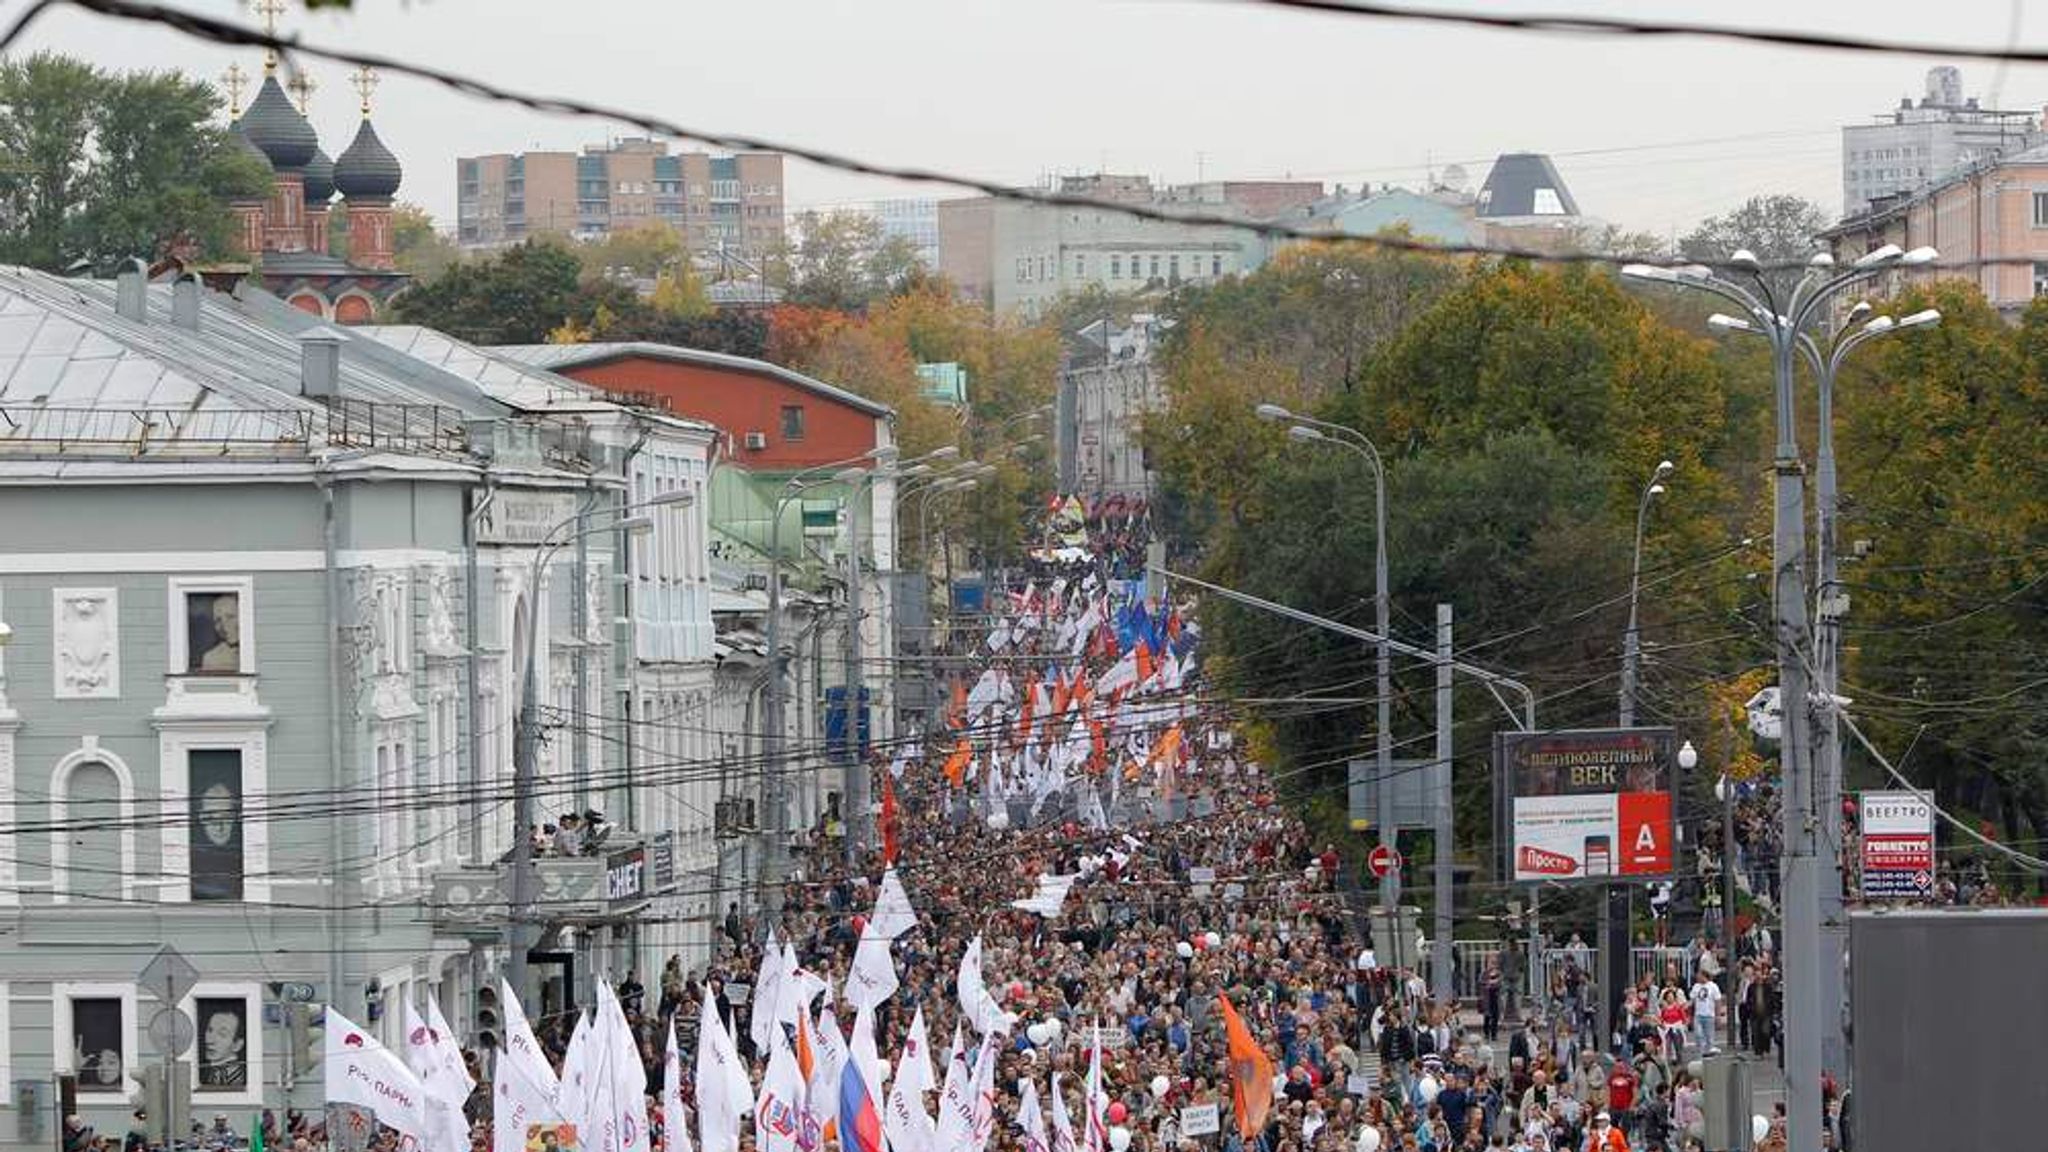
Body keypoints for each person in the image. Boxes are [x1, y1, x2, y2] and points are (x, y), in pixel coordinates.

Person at [1688, 968, 1723, 1055]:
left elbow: (1717, 1001)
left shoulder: (1713, 986)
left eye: (1699, 975)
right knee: (1698, 1034)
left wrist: (1718, 1015)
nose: (1697, 977)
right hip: (1698, 1015)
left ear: (1703, 976)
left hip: (1709, 1015)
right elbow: (1692, 1000)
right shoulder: (1696, 987)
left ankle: (1709, 1051)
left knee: (1709, 1036)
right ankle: (1701, 1051)